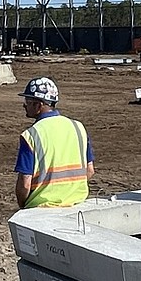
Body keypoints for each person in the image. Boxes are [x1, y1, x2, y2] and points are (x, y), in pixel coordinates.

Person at [14, 77, 93, 209]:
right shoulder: (78, 127)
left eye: (28, 102)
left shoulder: (31, 135)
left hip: (42, 207)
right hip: (77, 203)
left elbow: (25, 183)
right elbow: (89, 171)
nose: (24, 105)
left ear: (39, 105)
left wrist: (23, 205)